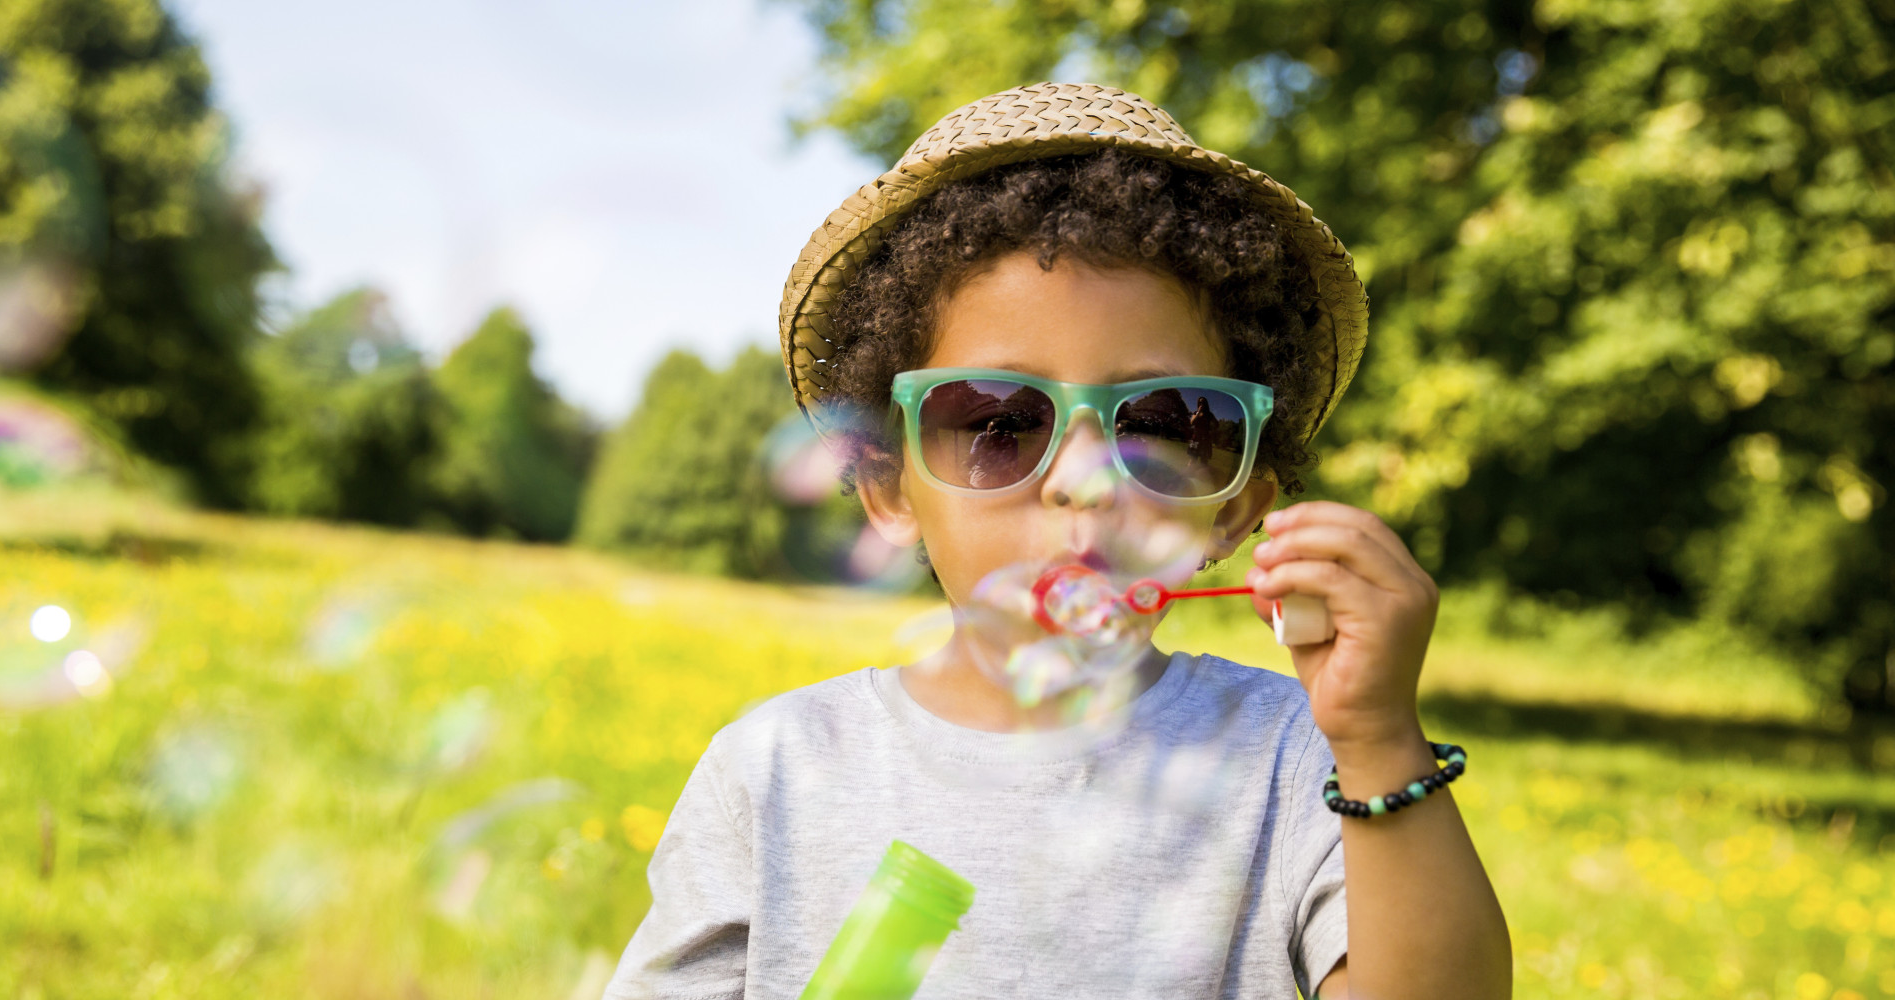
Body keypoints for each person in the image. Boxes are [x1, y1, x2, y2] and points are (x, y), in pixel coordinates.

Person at [605, 83, 1511, 1000]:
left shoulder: (1299, 760)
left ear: (1235, 508)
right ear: (889, 488)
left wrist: (1381, 739)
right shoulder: (775, 774)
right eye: (998, 422)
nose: (1085, 478)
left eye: (1162, 423)